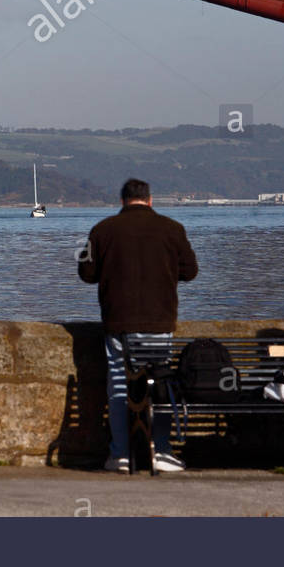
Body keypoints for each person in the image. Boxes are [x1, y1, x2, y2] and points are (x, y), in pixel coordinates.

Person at [79, 178, 198, 473]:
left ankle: (120, 454)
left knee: (119, 386)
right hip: (159, 321)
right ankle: (161, 450)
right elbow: (190, 271)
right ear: (150, 200)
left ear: (122, 202)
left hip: (118, 321)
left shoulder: (102, 230)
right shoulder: (172, 229)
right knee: (159, 386)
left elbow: (86, 272)